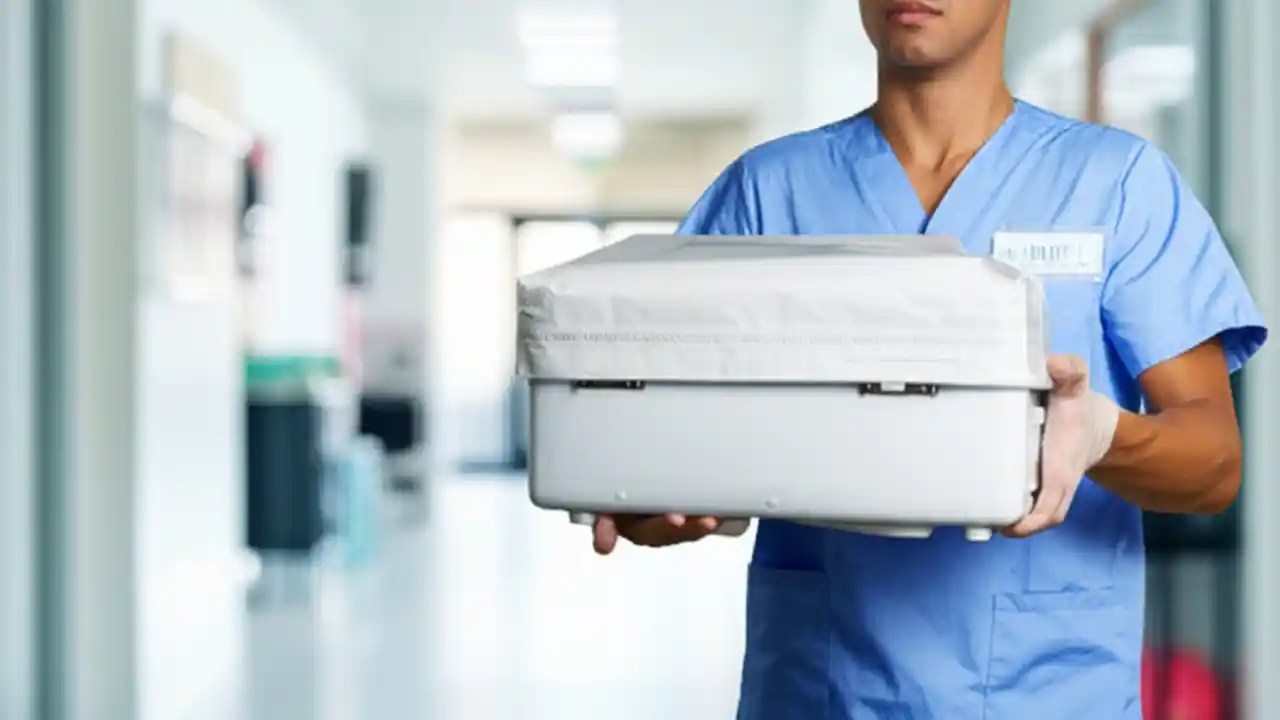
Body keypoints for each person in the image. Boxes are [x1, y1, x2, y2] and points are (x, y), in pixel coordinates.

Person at [589, 0, 1267, 717]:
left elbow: (1214, 466)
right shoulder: (767, 192)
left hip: (1048, 694)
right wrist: (656, 506)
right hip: (824, 692)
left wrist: (1104, 435)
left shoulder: (1118, 184)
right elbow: (657, 451)